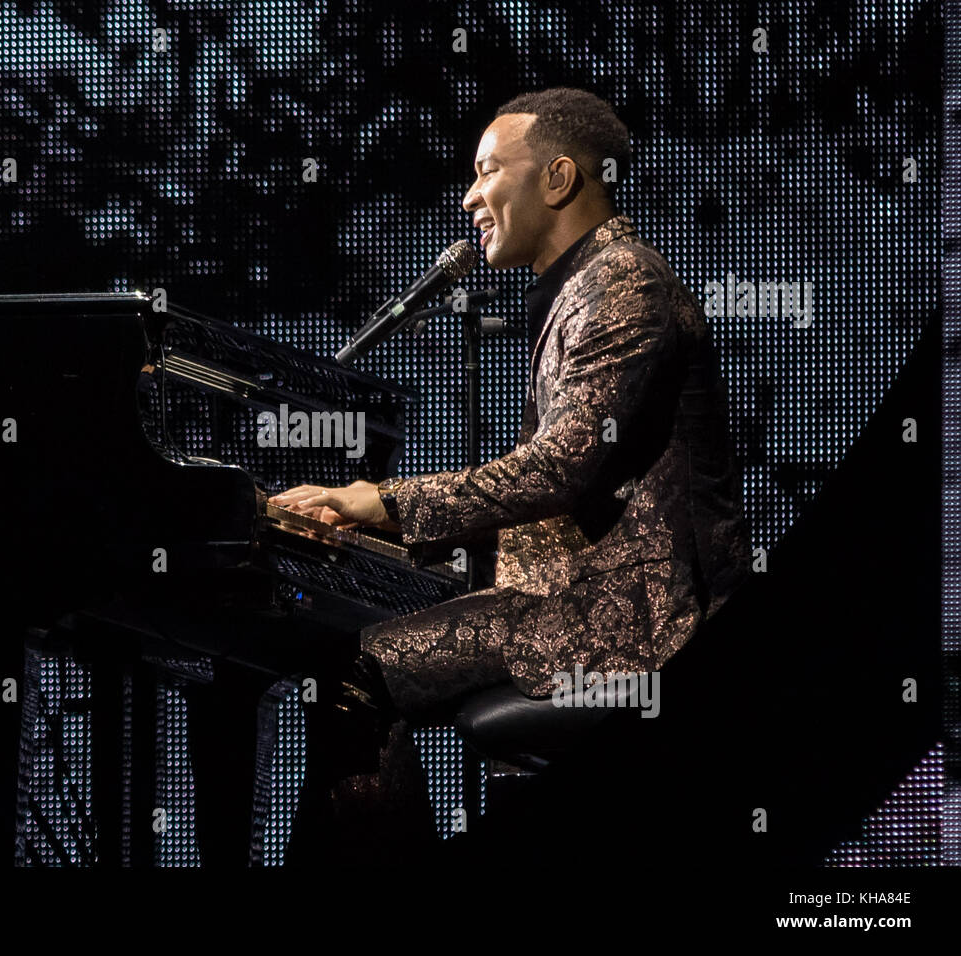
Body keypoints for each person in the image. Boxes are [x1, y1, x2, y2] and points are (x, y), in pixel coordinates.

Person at [270, 87, 751, 866]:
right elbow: (554, 506)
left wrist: (380, 499)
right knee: (348, 658)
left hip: (628, 626)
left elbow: (557, 470)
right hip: (570, 602)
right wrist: (372, 540)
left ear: (559, 179)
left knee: (351, 673)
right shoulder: (584, 286)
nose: (469, 197)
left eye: (489, 170)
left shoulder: (624, 286)